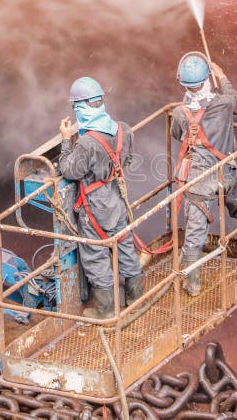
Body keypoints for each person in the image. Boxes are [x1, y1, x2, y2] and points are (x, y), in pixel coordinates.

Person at [171, 52, 237, 296]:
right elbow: (233, 96)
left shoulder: (180, 113)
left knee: (195, 235)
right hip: (227, 175)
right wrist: (222, 75)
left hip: (199, 184)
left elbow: (178, 135)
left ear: (183, 83)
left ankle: (193, 284)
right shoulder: (223, 103)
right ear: (208, 78)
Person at [58, 77, 144, 318]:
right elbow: (126, 160)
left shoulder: (86, 144)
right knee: (124, 245)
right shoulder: (122, 129)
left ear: (81, 108)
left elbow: (68, 170)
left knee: (95, 255)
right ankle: (136, 297)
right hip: (117, 198)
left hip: (95, 206)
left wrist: (66, 140)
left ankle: (106, 311)